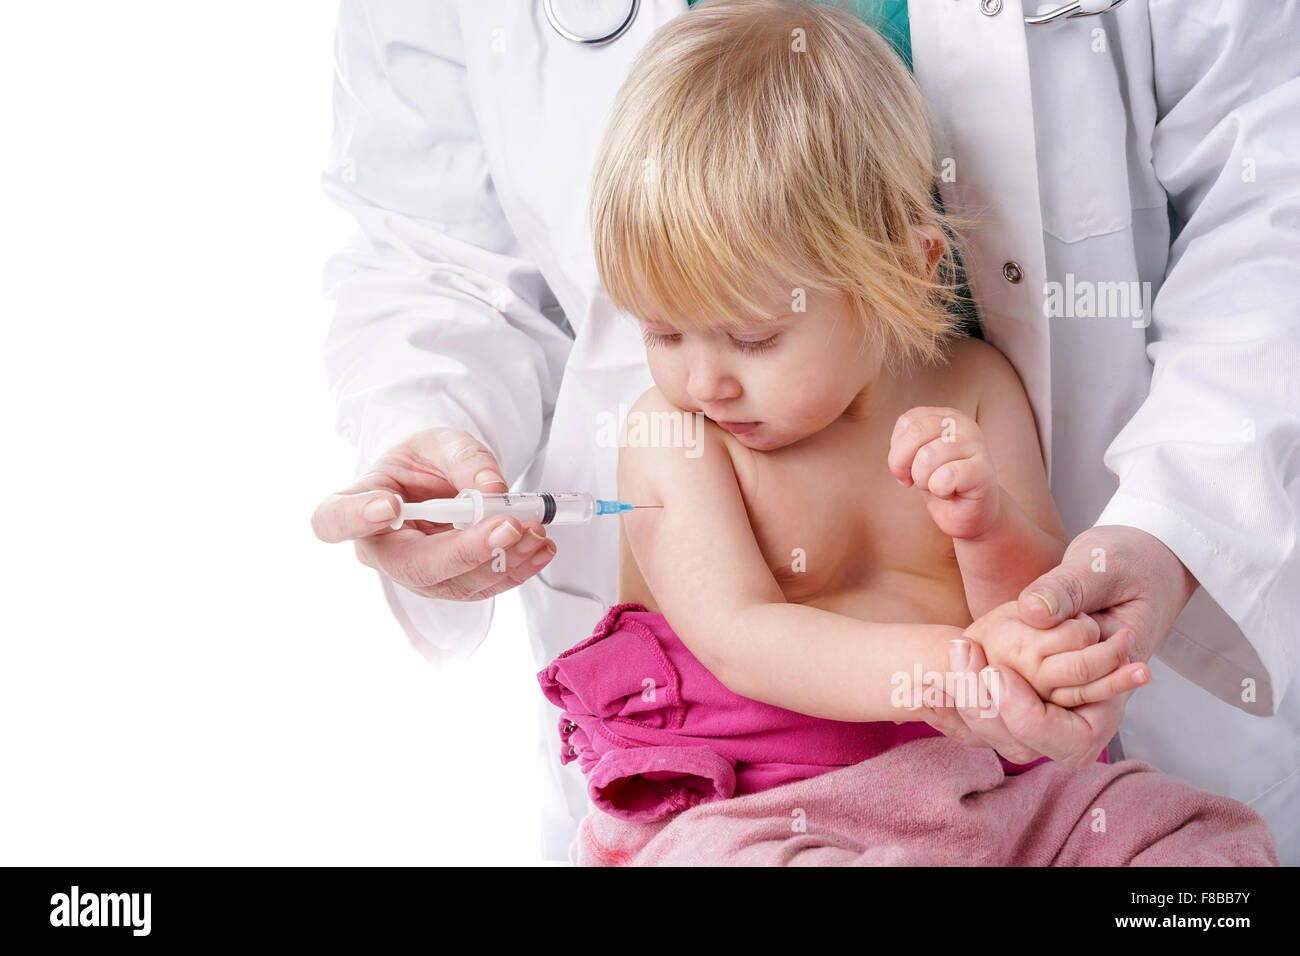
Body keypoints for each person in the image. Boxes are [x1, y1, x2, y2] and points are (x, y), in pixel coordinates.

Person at [311, 0, 1300, 863]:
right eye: (658, 328)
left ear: (910, 270)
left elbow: (1032, 597)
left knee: (1190, 838)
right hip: (758, 803)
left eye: (751, 334)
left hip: (992, 783)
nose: (701, 376)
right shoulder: (674, 437)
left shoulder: (973, 389)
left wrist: (988, 533)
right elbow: (741, 636)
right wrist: (949, 670)